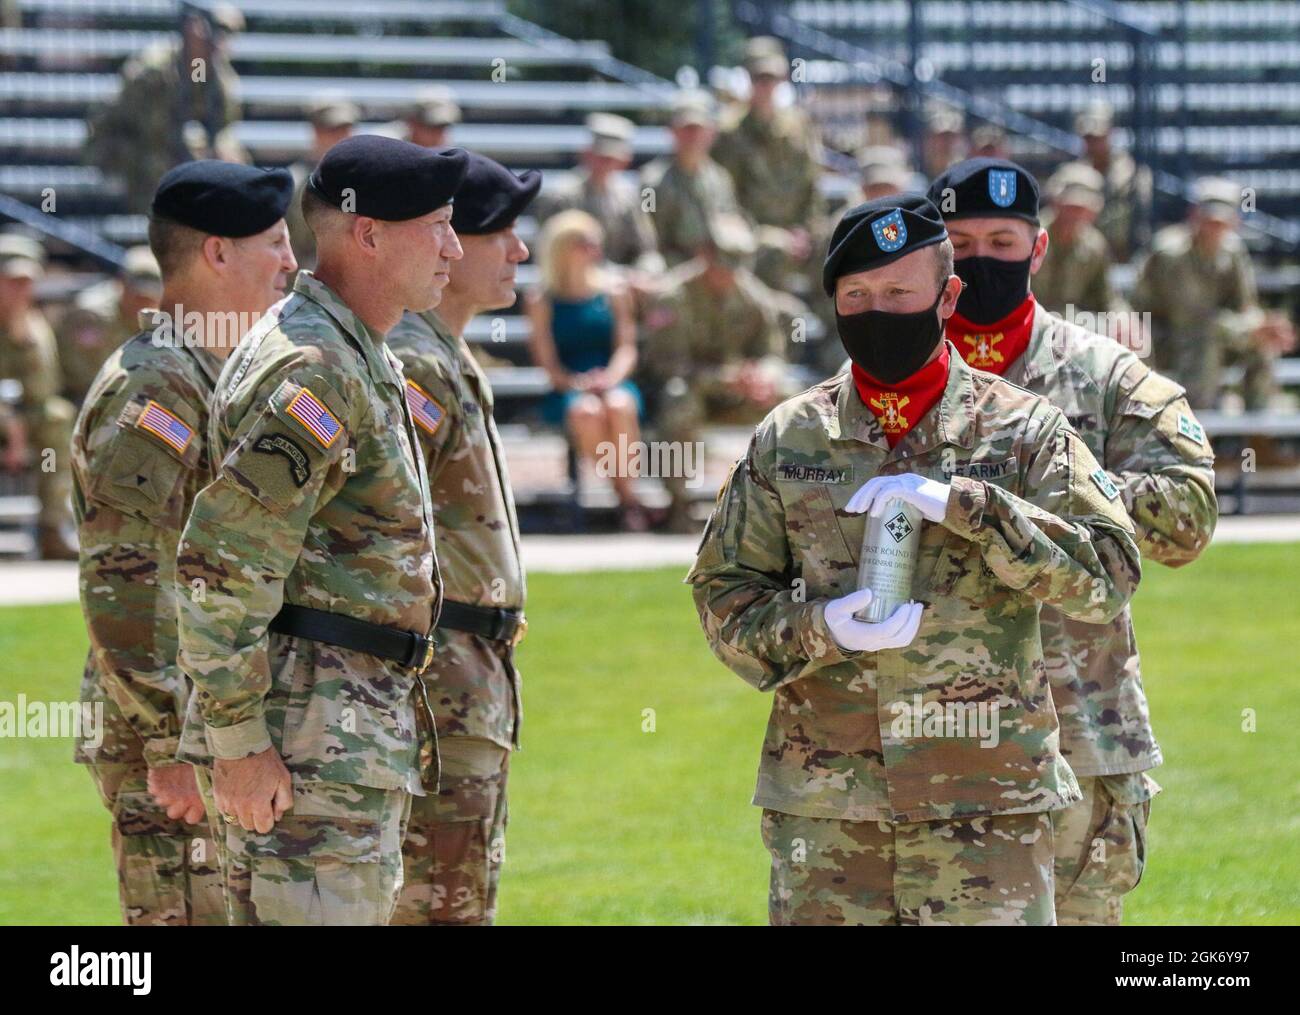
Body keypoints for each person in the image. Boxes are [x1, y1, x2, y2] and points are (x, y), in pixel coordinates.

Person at [687, 194, 1142, 926]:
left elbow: (1108, 575)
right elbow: (724, 599)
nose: (877, 310)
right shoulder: (790, 438)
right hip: (831, 816)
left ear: (947, 294)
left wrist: (974, 507)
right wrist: (822, 626)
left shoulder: (1025, 431)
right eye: (856, 295)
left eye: (899, 292)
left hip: (988, 810)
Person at [173, 136, 467, 925]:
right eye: (436, 224)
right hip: (311, 743)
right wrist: (237, 741)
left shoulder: (349, 348)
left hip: (337, 731)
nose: (454, 247)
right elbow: (222, 564)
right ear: (366, 232)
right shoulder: (317, 366)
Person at [930, 157, 1218, 924]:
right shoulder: (889, 380)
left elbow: (1189, 517)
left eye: (1001, 239)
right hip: (928, 729)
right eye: (959, 242)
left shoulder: (1103, 374)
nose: (980, 258)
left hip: (1079, 724)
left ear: (1039, 248)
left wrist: (1059, 501)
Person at [71, 160, 297, 926]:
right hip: (167, 739)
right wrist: (171, 742)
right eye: (274, 242)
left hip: (202, 732)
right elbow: (123, 582)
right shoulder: (157, 387)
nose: (292, 263)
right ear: (217, 254)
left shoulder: (208, 371)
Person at [387, 153, 537, 925]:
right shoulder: (415, 362)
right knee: (437, 901)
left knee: (460, 892)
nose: (519, 250)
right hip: (439, 675)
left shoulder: (443, 350)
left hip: (469, 672)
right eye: (501, 233)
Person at [641, 214, 789, 532]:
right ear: (704, 254)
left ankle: (790, 504)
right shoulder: (673, 295)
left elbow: (772, 352)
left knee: (794, 401)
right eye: (722, 264)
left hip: (737, 392)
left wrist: (764, 375)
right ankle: (678, 505)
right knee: (678, 402)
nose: (729, 274)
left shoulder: (751, 294)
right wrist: (726, 377)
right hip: (689, 390)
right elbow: (666, 366)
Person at [527, 209, 648, 529]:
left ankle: (626, 500)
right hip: (568, 386)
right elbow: (546, 361)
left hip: (612, 378)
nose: (594, 249)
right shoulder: (541, 298)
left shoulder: (614, 292)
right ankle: (628, 500)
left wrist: (610, 378)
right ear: (562, 248)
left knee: (619, 405)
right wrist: (574, 383)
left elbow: (627, 348)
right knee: (586, 413)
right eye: (584, 243)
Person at [1134, 177, 1296, 412]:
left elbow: (1245, 307)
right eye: (1209, 220)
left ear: (1234, 222)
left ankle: (1258, 433)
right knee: (1206, 340)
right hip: (1162, 339)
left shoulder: (1233, 252)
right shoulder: (1171, 253)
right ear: (1193, 216)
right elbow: (1191, 320)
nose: (1214, 228)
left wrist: (1263, 326)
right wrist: (1251, 329)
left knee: (1262, 346)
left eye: (1221, 222)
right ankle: (1195, 426)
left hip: (1215, 336)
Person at [87, 4, 244, 213]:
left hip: (174, 155)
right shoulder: (154, 71)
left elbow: (223, 129)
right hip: (133, 153)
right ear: (192, 28)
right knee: (164, 165)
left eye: (225, 34)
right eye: (212, 31)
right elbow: (116, 124)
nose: (218, 42)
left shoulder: (220, 78)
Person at [713, 37, 822, 294]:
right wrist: (771, 234)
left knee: (838, 245)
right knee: (772, 253)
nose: (766, 85)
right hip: (752, 234)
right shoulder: (729, 132)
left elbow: (812, 186)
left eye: (772, 78)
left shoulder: (799, 126)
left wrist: (807, 230)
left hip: (799, 232)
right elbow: (726, 197)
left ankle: (829, 330)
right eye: (759, 78)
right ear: (747, 80)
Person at [0, 233, 76, 558]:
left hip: (21, 418)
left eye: (26, 282)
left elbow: (41, 392)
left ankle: (52, 529)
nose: (20, 290)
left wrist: (23, 340)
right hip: (5, 420)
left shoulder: (34, 327)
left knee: (57, 416)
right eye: (11, 281)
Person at [534, 113, 663, 277]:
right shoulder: (562, 195)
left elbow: (645, 248)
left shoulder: (629, 197)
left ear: (624, 162)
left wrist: (642, 273)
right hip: (573, 279)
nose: (604, 164)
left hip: (620, 281)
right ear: (587, 155)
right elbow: (551, 251)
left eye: (611, 159)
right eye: (600, 157)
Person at [640, 91, 741, 267]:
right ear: (672, 132)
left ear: (712, 133)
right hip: (673, 267)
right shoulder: (651, 183)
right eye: (686, 129)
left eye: (699, 129)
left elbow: (730, 223)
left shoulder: (720, 179)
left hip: (716, 265)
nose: (693, 136)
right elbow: (646, 238)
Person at [56, 246, 163, 405]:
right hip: (91, 399)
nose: (143, 304)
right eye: (137, 296)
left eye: (150, 298)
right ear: (122, 283)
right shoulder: (91, 316)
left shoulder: (166, 318)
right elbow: (79, 377)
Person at [1032, 163, 1121, 320]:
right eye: (1070, 207)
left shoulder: (1094, 246)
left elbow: (1107, 297)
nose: (1075, 215)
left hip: (1071, 326)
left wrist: (1123, 319)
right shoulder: (1028, 237)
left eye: (1083, 209)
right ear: (1055, 203)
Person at [1069, 102, 1153, 262]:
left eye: (1098, 137)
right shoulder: (1071, 174)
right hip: (1081, 258)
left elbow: (1136, 220)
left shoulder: (1131, 174)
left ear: (1110, 133)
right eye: (1089, 138)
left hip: (1122, 255)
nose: (1093, 143)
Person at [285, 93, 359, 273]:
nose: (341, 136)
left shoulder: (364, 176)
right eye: (333, 129)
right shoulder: (294, 183)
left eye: (345, 129)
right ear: (316, 130)